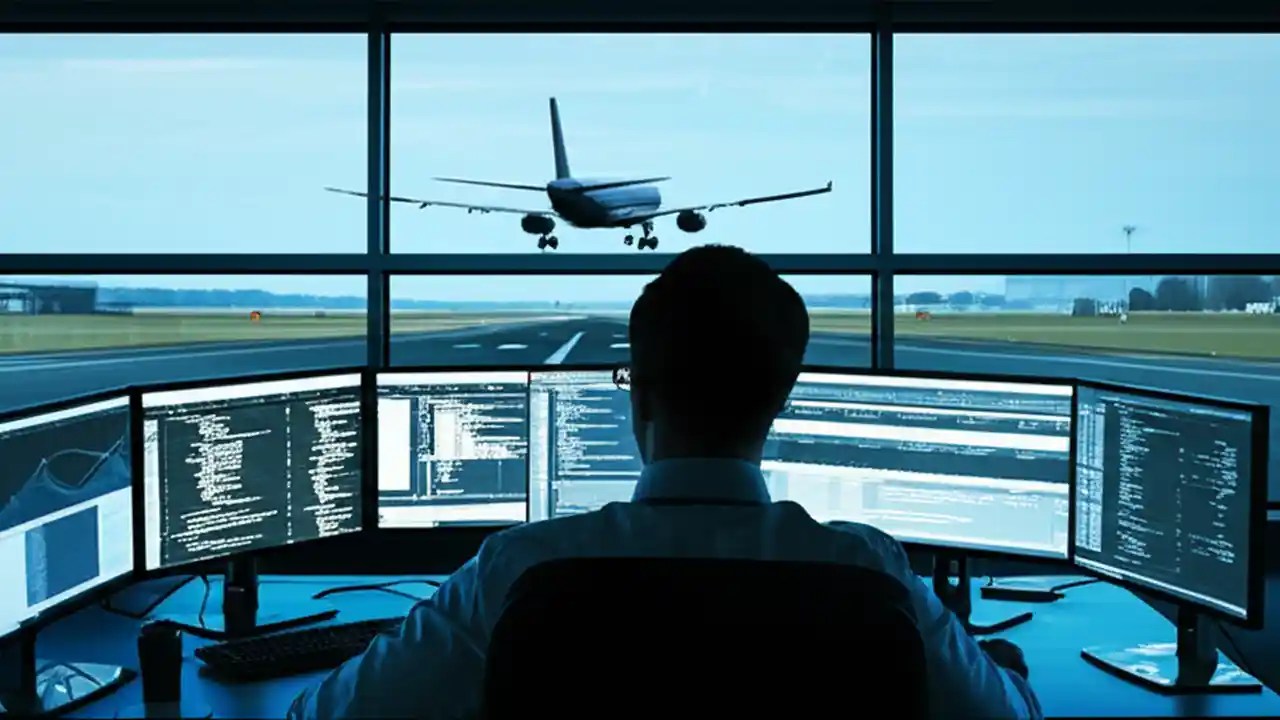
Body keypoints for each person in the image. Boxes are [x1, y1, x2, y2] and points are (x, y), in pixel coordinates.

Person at [288, 244, 1043, 720]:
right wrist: (999, 668)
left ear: (637, 395)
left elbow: (323, 716)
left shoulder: (521, 569)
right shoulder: (868, 571)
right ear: (781, 400)